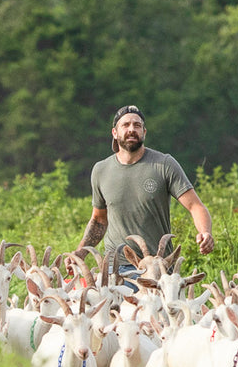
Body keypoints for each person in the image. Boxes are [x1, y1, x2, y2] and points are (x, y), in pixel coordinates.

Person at [75, 104, 214, 283]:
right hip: (116, 267)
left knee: (156, 311)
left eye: (137, 125)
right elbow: (99, 220)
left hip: (156, 265)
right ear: (115, 133)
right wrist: (79, 254)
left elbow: (195, 206)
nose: (132, 129)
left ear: (144, 132)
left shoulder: (164, 164)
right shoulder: (101, 170)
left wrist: (205, 232)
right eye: (125, 125)